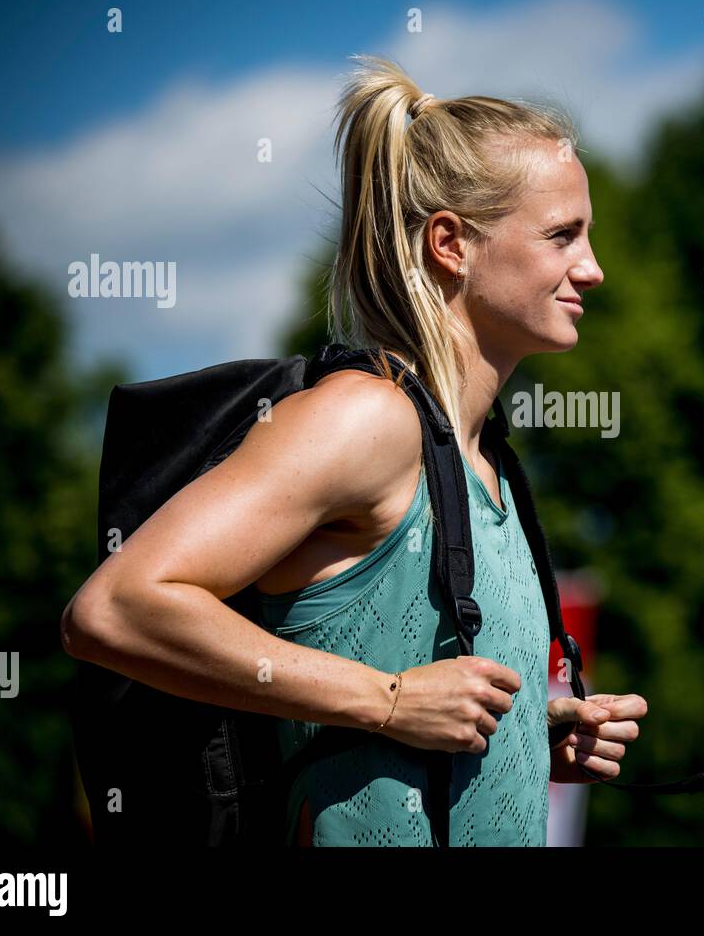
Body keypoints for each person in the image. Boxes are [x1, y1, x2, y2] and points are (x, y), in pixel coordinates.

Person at [60, 54, 646, 846]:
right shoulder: (368, 418)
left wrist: (519, 736)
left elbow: (390, 677)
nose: (594, 268)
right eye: (562, 236)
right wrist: (392, 700)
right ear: (451, 244)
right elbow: (115, 608)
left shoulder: (488, 463)